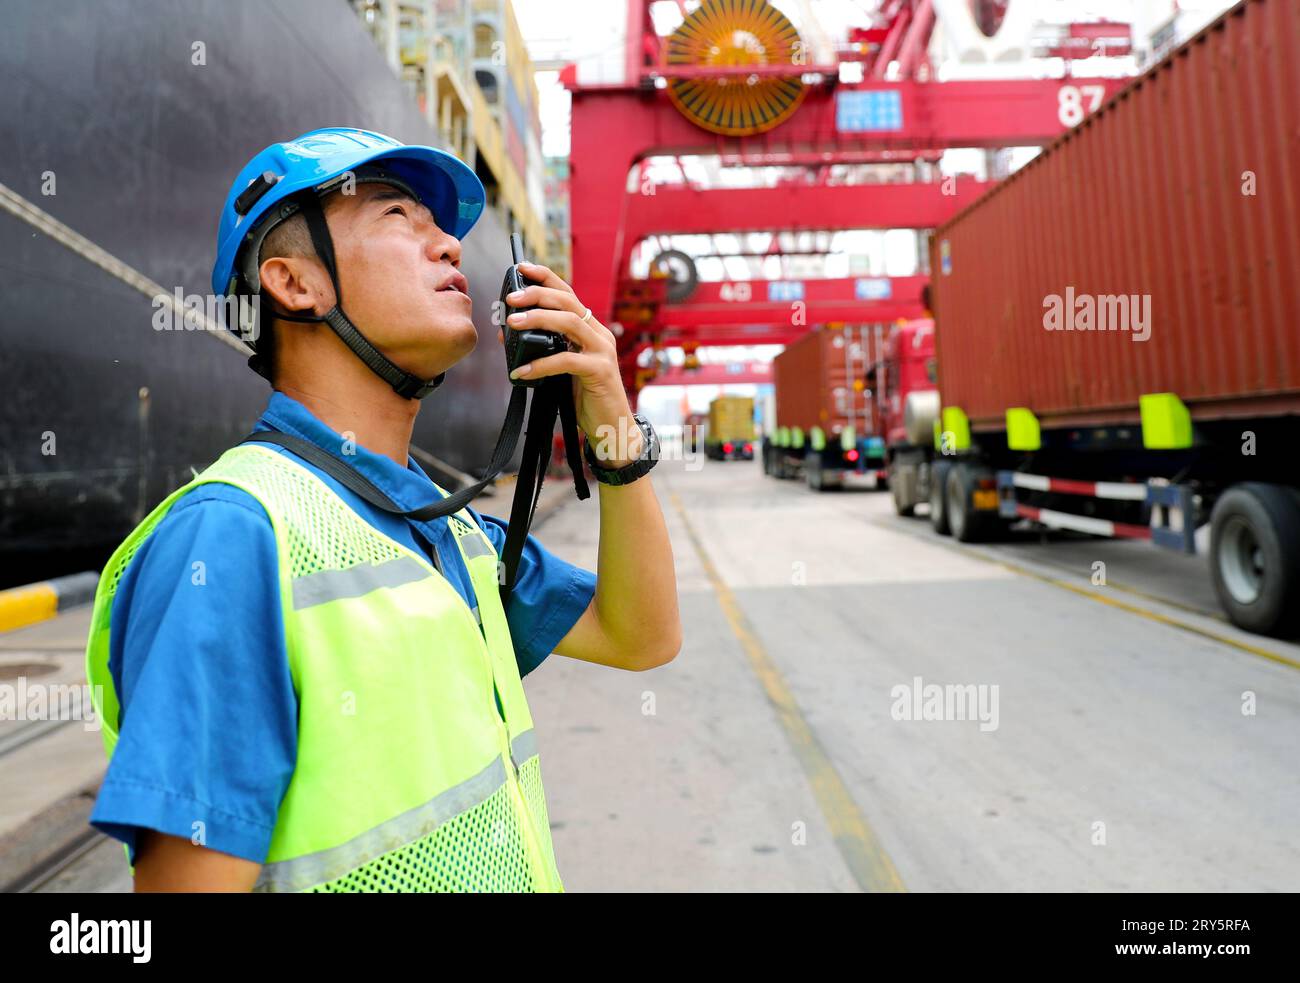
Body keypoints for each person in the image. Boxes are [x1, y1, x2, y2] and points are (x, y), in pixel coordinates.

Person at [84, 127, 681, 892]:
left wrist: (614, 426)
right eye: (401, 218)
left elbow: (642, 635)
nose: (450, 248)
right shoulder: (234, 536)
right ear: (295, 284)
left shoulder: (446, 528)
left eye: (444, 230)